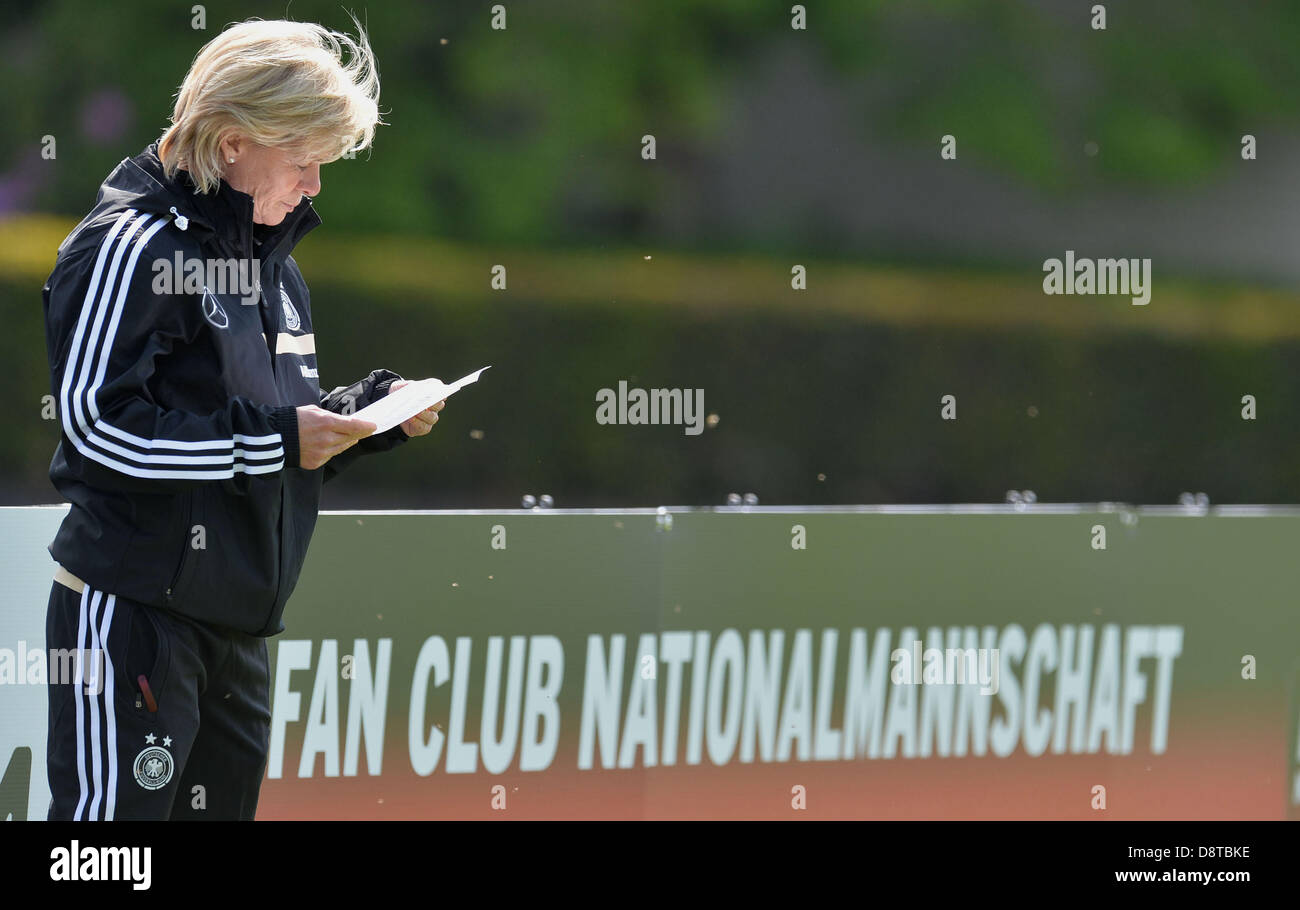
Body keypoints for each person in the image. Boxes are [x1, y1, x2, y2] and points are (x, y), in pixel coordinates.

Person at [39, 18, 441, 820]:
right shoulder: (133, 244)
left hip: (239, 632)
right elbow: (96, 431)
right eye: (303, 160)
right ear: (230, 143)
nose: (316, 185)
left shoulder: (276, 268)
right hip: (134, 622)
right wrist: (277, 438)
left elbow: (270, 433)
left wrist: (373, 416)